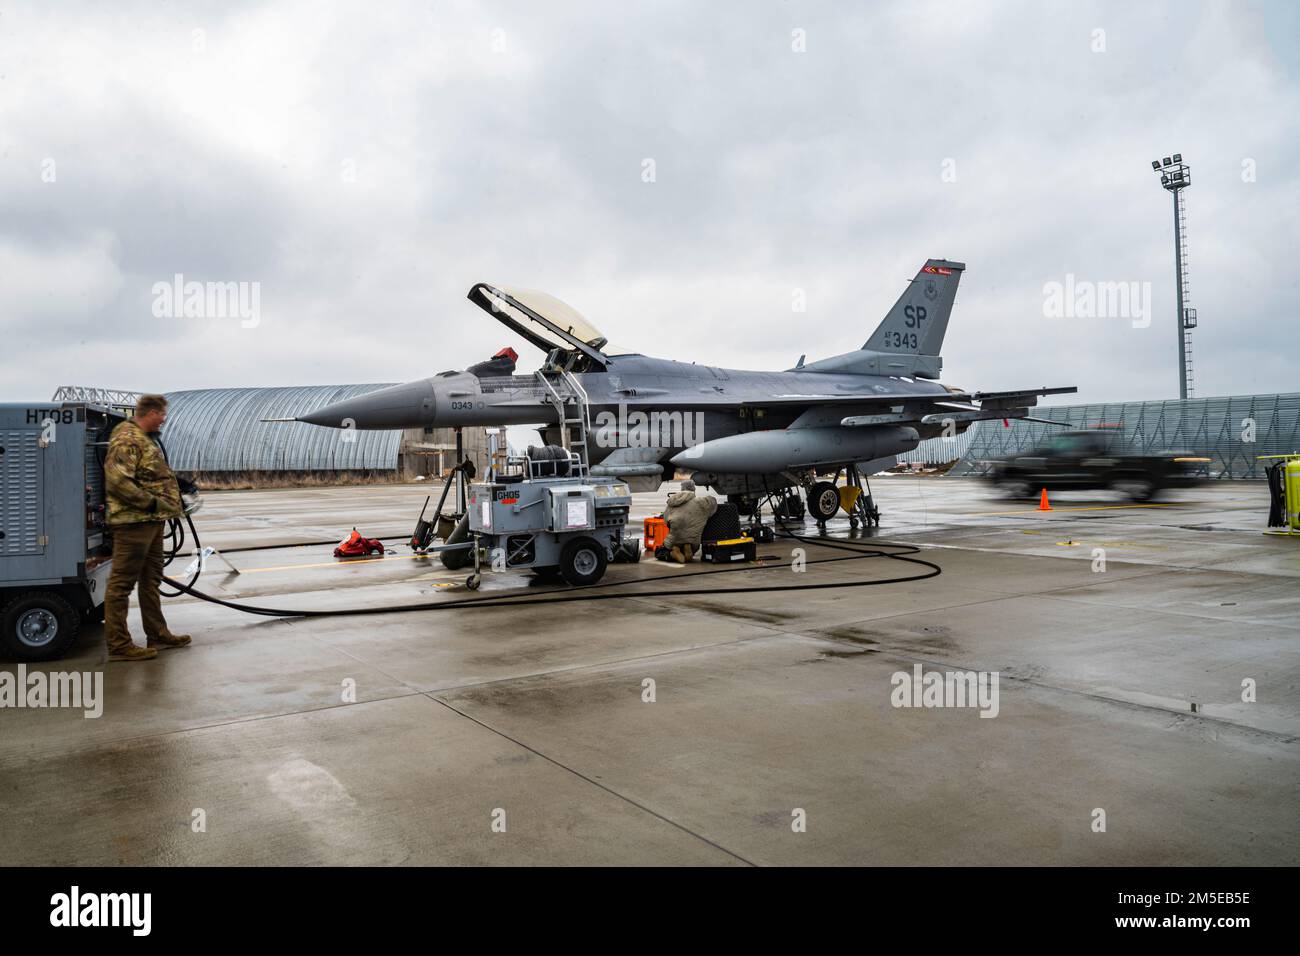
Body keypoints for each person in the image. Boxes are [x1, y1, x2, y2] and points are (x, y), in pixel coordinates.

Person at [102, 394, 192, 661]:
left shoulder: (143, 439)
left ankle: (157, 633)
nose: (164, 419)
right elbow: (118, 482)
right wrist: (153, 504)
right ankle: (119, 645)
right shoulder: (127, 438)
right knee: (121, 584)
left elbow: (148, 474)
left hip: (151, 523)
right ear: (151, 413)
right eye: (162, 414)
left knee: (151, 580)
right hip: (133, 523)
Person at [663, 479, 718, 564]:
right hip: (693, 541)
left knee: (660, 552)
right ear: (694, 489)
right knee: (691, 545)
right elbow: (713, 503)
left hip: (674, 539)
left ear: (682, 489)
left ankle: (674, 552)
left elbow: (666, 521)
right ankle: (688, 547)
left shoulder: (672, 503)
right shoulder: (701, 502)